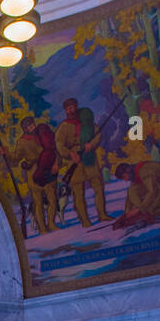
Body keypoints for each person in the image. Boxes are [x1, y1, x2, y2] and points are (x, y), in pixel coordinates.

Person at [55, 97, 109, 228]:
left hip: (89, 157)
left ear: (76, 106)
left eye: (72, 107)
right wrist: (70, 154)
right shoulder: (63, 127)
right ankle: (84, 220)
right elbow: (59, 144)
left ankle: (102, 215)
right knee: (78, 193)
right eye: (68, 108)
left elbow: (98, 134)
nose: (70, 110)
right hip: (75, 161)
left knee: (98, 186)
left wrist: (92, 144)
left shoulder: (86, 121)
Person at [13, 115, 60, 233]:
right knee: (38, 202)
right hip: (33, 171)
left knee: (53, 199)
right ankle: (42, 228)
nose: (32, 127)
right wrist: (7, 154)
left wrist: (56, 163)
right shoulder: (22, 142)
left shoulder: (42, 134)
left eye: (33, 124)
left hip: (47, 168)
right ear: (25, 128)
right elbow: (16, 158)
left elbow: (53, 149)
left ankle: (51, 223)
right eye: (29, 126)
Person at [113, 161, 160, 225]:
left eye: (124, 176)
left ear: (128, 171)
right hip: (157, 185)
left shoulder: (144, 172)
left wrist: (139, 210)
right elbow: (130, 194)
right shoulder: (135, 174)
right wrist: (126, 214)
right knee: (132, 191)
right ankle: (143, 212)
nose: (125, 180)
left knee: (152, 211)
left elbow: (152, 192)